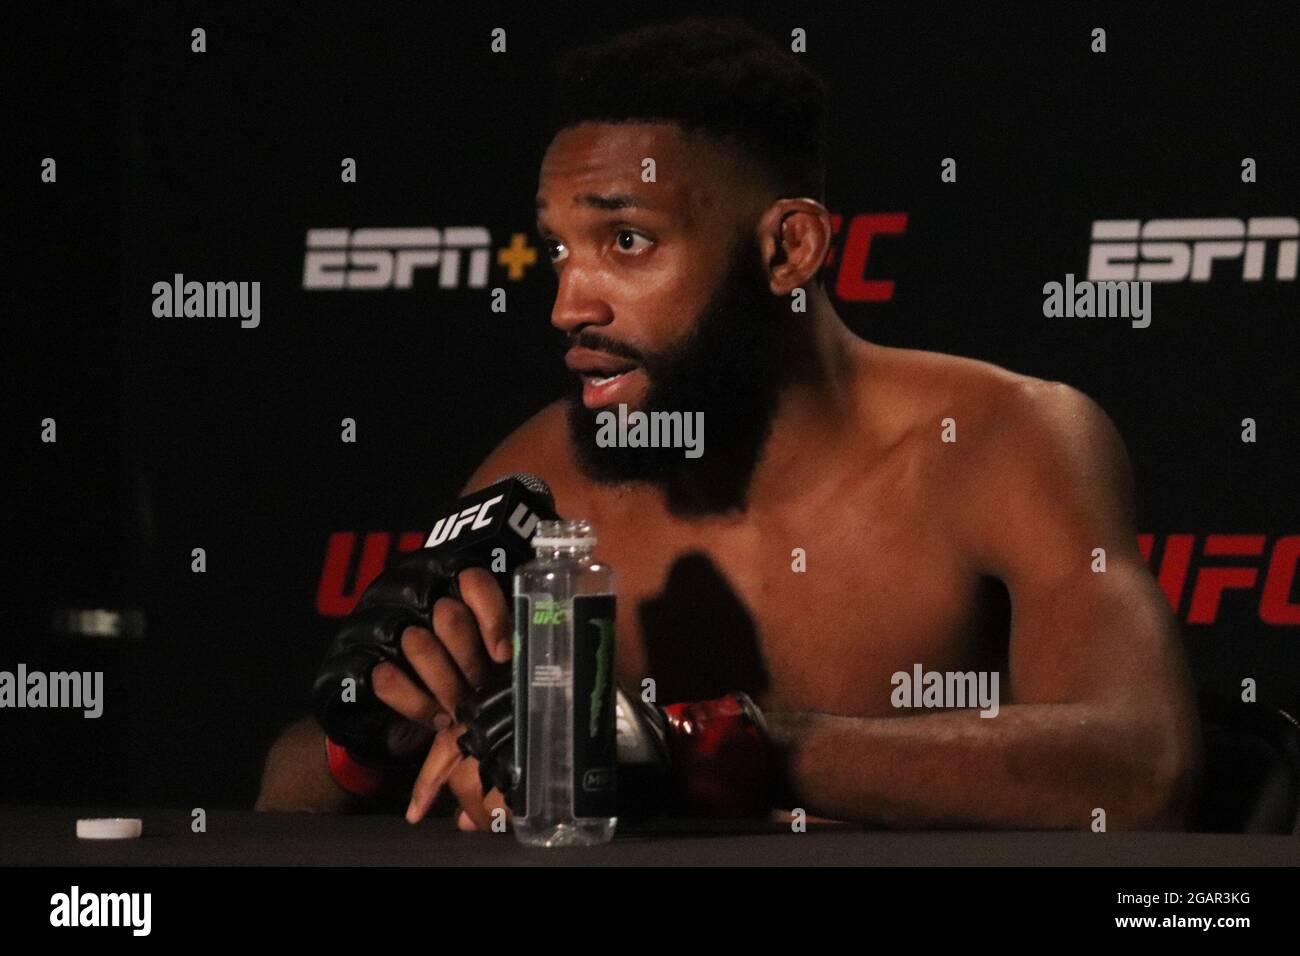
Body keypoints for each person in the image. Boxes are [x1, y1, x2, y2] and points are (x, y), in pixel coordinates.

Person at [256, 17, 1202, 831]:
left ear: (789, 249)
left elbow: (1143, 766)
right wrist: (365, 741)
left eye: (627, 241)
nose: (568, 305)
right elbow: (283, 803)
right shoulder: (552, 474)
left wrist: (719, 751)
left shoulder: (1001, 438)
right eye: (558, 250)